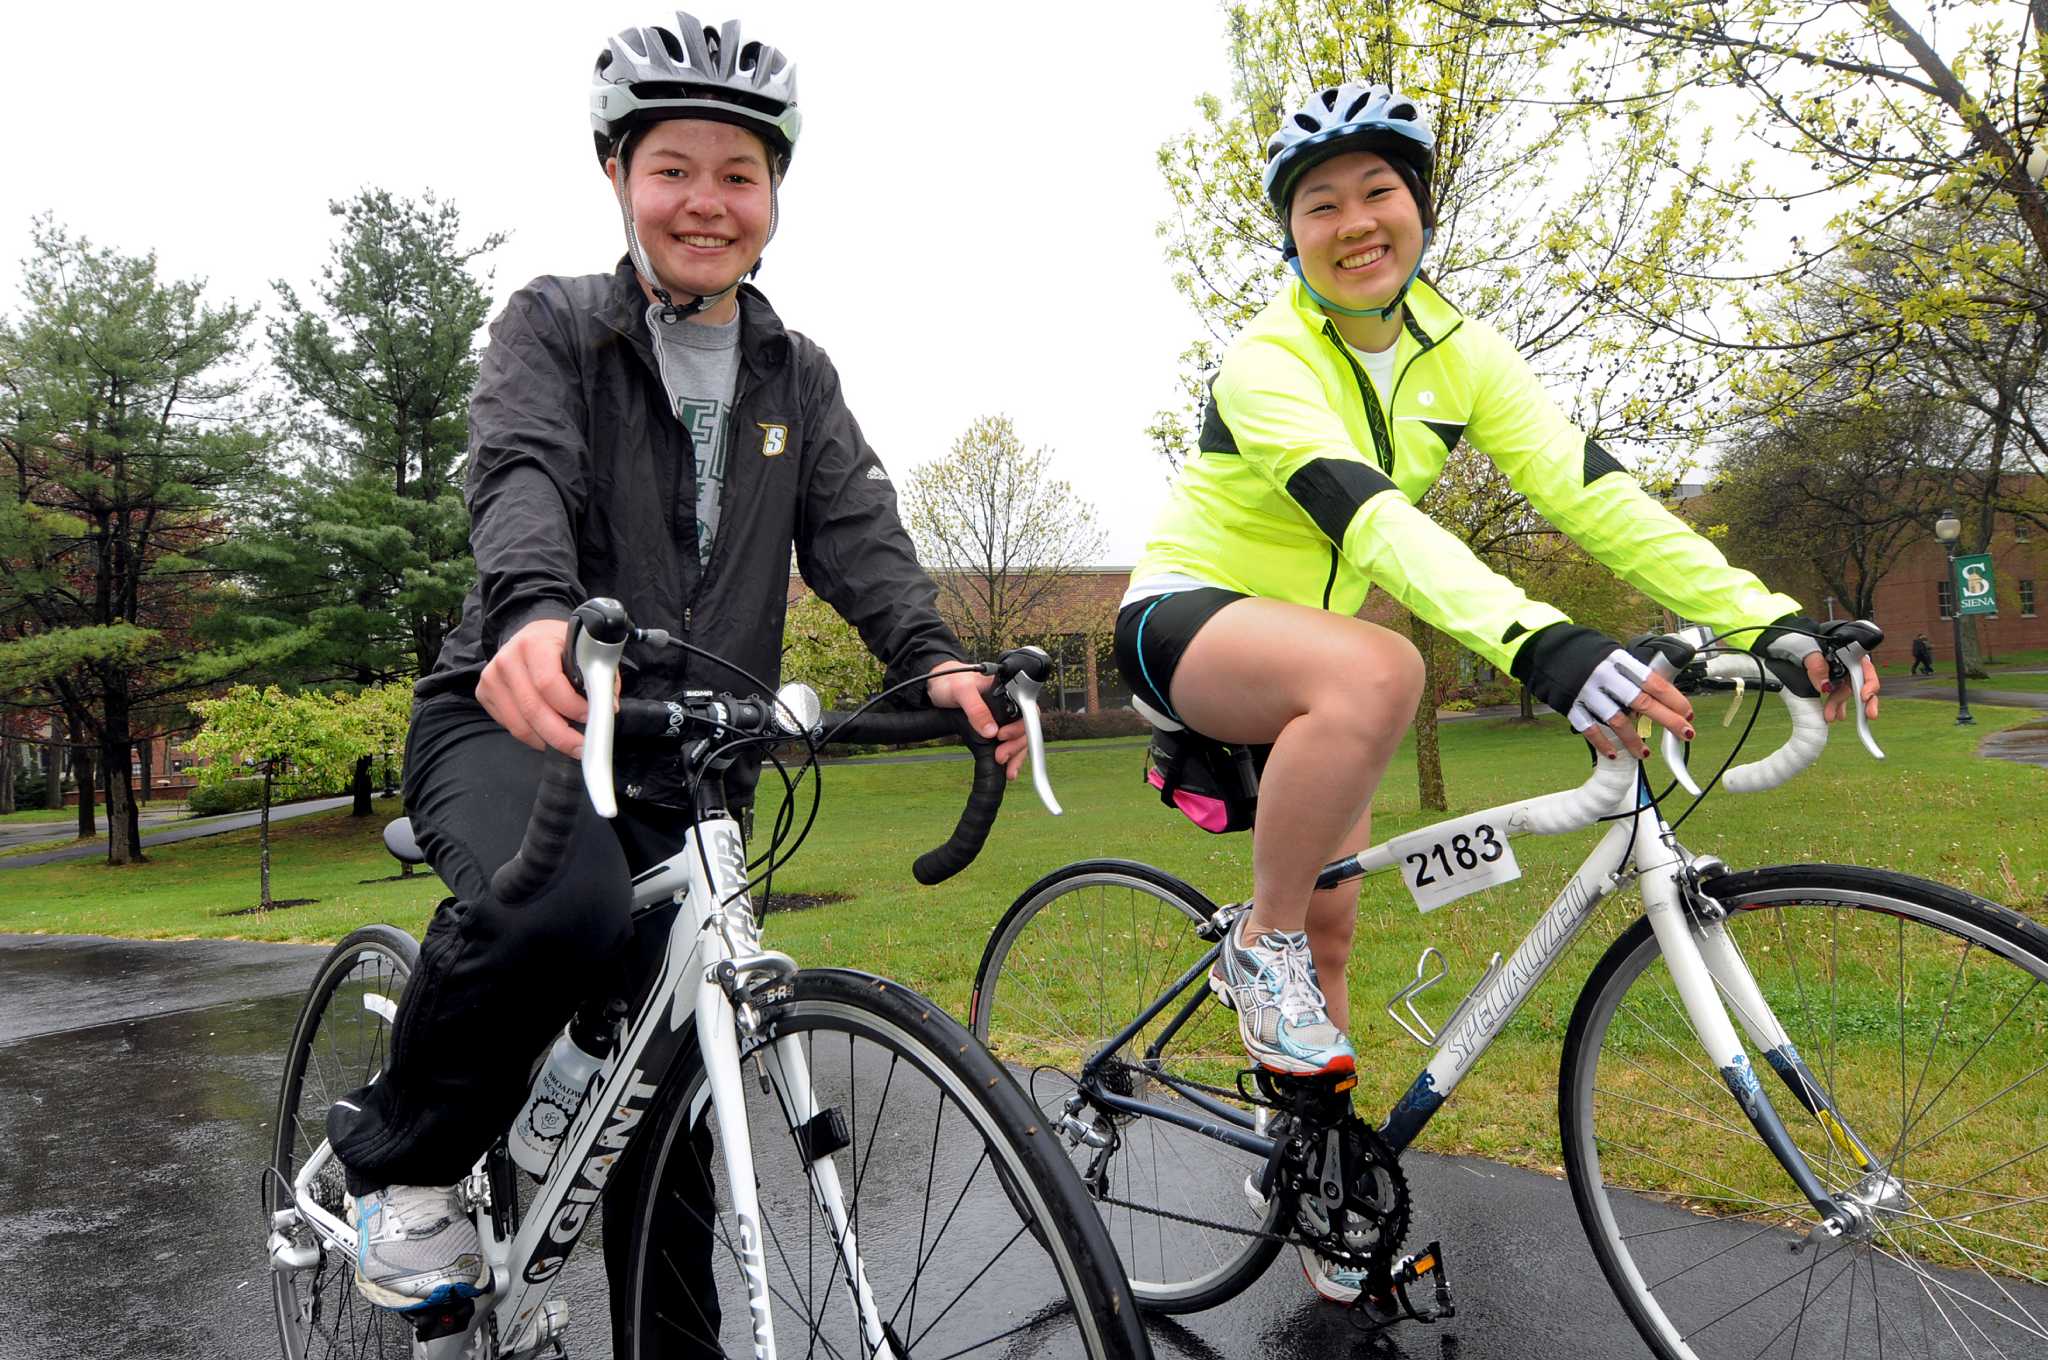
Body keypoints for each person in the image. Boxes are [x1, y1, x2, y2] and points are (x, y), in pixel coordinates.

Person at [1113, 82, 1880, 1303]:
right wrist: (1544, 643)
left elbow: (1593, 495)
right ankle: (1249, 949)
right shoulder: (1267, 358)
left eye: (1380, 193)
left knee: (1338, 931)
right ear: (1289, 233)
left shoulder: (1458, 352)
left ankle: (1312, 1178)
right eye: (1321, 204)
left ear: (1418, 208)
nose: (1356, 220)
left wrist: (1766, 618)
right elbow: (1370, 520)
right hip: (1186, 624)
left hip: (1317, 657)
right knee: (1386, 661)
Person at [324, 14, 1028, 1345]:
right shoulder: (555, 327)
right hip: (514, 711)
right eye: (673, 169)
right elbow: (517, 468)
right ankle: (405, 1162)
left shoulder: (794, 376)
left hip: (688, 759)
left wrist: (934, 661)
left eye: (738, 174)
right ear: (618, 177)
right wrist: (533, 610)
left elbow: (860, 537)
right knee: (564, 908)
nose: (706, 201)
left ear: (773, 196)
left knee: (674, 1107)